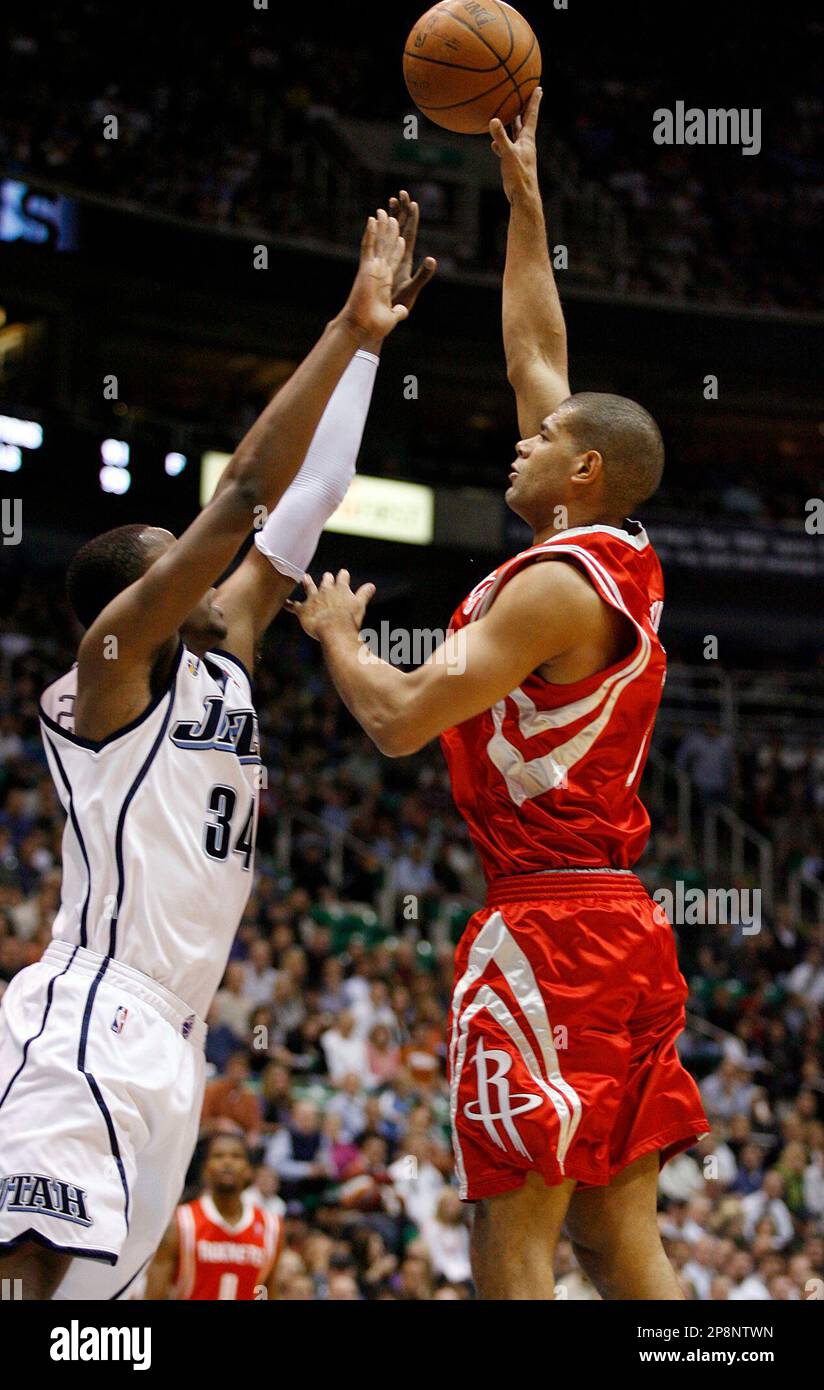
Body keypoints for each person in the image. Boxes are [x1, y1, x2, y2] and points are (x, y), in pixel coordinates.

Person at [288, 90, 708, 1300]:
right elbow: (535, 350)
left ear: (583, 468)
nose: (517, 439)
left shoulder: (550, 589)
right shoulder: (611, 558)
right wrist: (524, 197)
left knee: (509, 1242)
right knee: (617, 1245)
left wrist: (337, 640)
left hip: (548, 927)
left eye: (541, 439)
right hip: (620, 925)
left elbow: (396, 721)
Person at [0, 199, 435, 1300]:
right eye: (175, 559)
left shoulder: (224, 651)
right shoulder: (107, 673)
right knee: (33, 1275)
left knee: (100, 1314)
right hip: (89, 1011)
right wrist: (342, 326)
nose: (206, 567)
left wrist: (372, 351)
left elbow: (314, 492)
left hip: (176, 1038)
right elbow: (244, 493)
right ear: (134, 597)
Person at [145, 1134, 282, 1300]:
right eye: (218, 1156)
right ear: (205, 1169)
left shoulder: (271, 1227)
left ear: (249, 1170)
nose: (227, 1162)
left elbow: (269, 1292)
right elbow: (154, 1295)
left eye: (236, 1156)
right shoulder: (180, 1222)